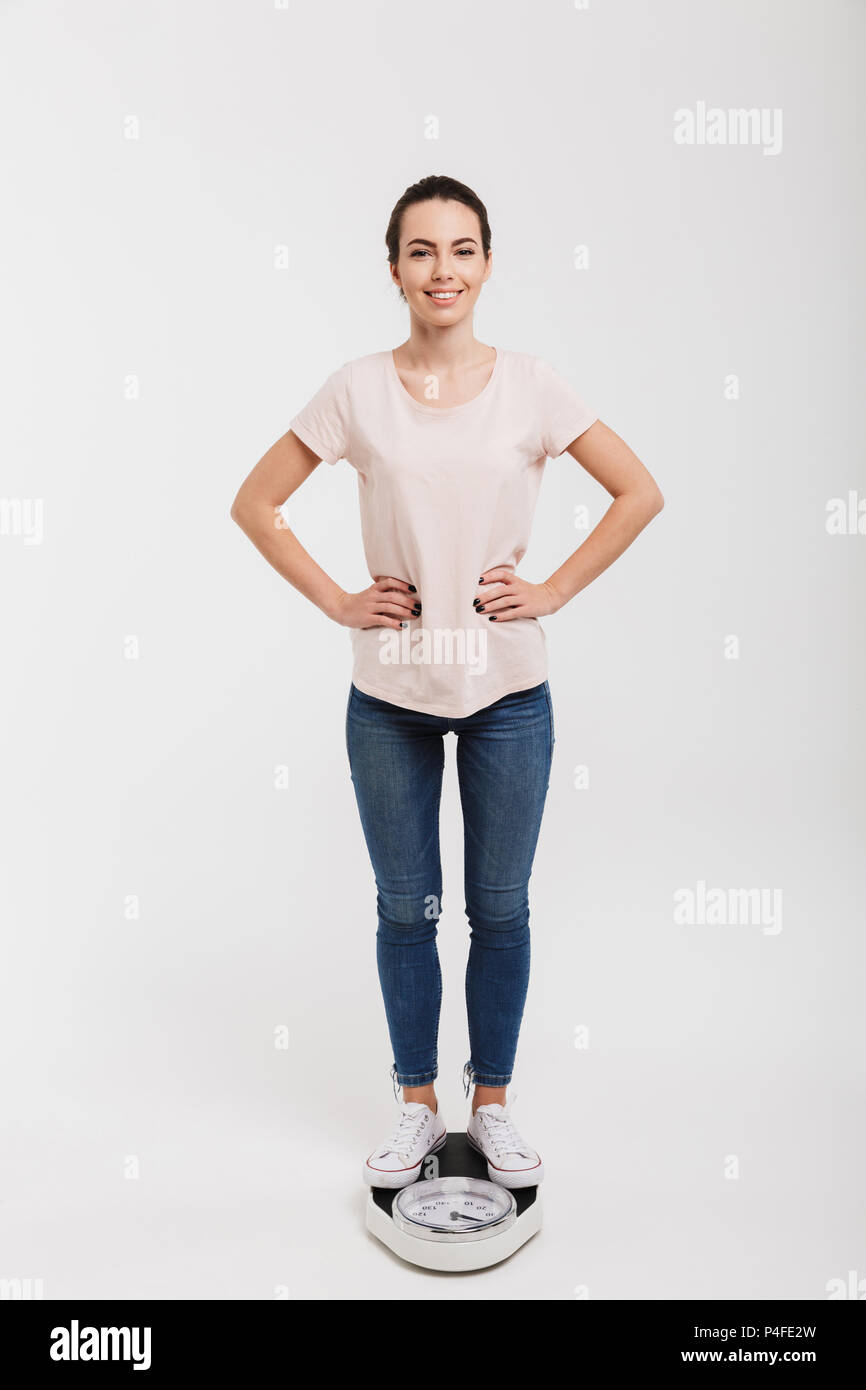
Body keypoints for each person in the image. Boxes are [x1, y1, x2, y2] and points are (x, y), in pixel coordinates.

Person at [230, 174, 664, 1193]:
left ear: (485, 265)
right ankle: (417, 1106)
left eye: (461, 249)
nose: (442, 270)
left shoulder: (532, 385)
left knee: (499, 909)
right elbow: (256, 502)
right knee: (404, 909)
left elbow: (637, 490)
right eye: (421, 252)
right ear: (393, 271)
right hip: (389, 696)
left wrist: (550, 585)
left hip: (508, 693)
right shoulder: (355, 390)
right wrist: (340, 599)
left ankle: (495, 1104)